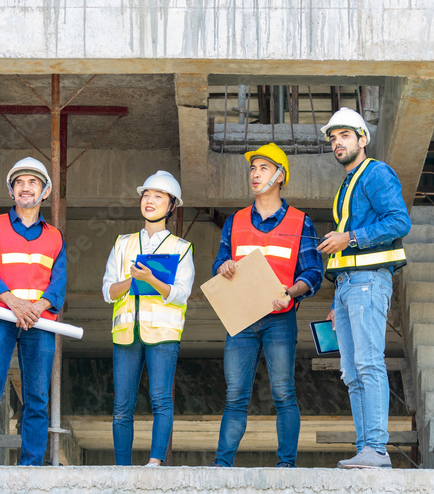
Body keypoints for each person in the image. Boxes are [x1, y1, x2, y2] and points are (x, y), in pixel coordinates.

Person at [212, 143, 323, 468]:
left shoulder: (300, 223)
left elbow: (313, 272)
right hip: (242, 318)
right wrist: (224, 266)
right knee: (235, 396)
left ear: (279, 176)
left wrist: (292, 291)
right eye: (252, 168)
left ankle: (286, 465)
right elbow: (220, 260)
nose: (255, 174)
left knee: (284, 393)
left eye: (263, 168)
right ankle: (222, 465)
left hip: (279, 318)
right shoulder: (236, 221)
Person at [316, 108, 411, 469]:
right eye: (333, 137)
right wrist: (337, 298)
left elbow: (400, 220)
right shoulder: (349, 182)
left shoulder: (375, 173)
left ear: (363, 139)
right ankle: (365, 449)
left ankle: (377, 448)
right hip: (350, 285)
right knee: (353, 371)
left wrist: (350, 237)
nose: (337, 142)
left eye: (344, 135)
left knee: (368, 364)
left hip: (368, 282)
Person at [0, 157, 67, 467]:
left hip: (39, 322)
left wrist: (35, 308)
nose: (26, 188)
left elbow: (59, 283)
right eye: (19, 183)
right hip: (0, 317)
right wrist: (14, 303)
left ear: (45, 191)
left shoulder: (55, 237)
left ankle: (31, 465)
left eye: (33, 182)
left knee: (37, 399)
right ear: (12, 192)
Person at [102, 171, 193, 467]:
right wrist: (132, 280)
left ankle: (155, 463)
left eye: (158, 196)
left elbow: (180, 294)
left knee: (161, 401)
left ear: (171, 206)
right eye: (146, 195)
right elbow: (108, 291)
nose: (149, 200)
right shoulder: (123, 243)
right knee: (121, 406)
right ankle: (122, 467)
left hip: (163, 334)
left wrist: (151, 279)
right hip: (126, 332)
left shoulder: (181, 248)